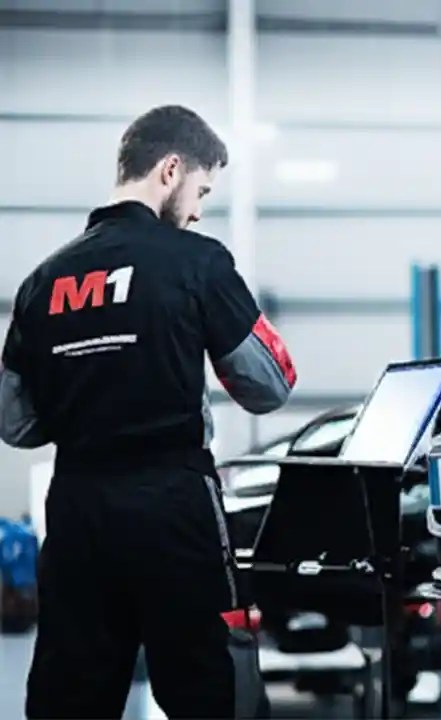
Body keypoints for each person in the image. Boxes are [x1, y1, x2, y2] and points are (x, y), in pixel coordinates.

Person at [0, 105, 297, 718]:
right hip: (175, 508)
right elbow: (269, 384)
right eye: (201, 191)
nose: (196, 211)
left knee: (70, 697)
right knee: (210, 692)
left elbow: (14, 422)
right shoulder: (196, 260)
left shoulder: (40, 282)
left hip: (78, 511)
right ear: (170, 170)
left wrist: (88, 392)